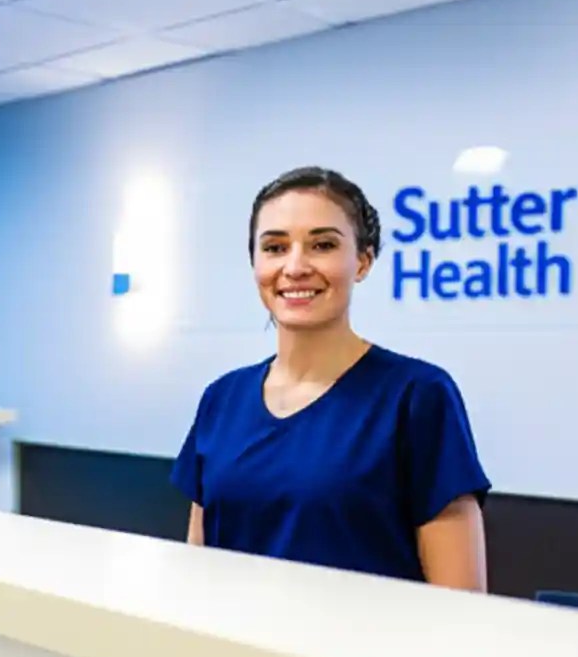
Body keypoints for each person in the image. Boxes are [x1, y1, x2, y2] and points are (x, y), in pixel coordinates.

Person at [170, 166, 492, 591]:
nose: (295, 266)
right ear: (255, 263)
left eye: (322, 245)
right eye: (275, 247)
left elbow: (462, 602)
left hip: (363, 655)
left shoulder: (417, 396)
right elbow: (198, 566)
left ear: (363, 261)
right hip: (234, 653)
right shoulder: (222, 399)